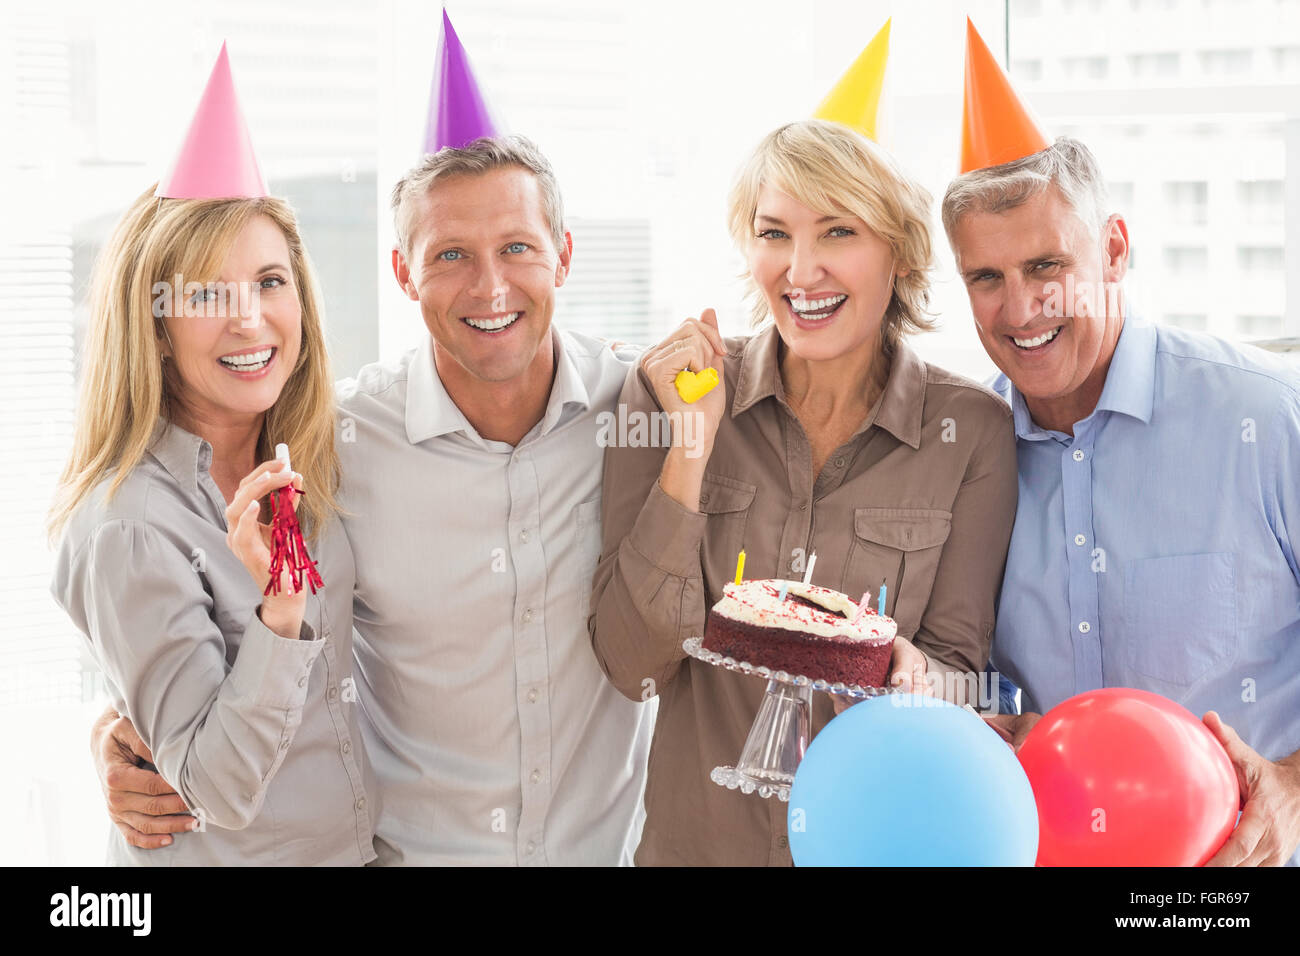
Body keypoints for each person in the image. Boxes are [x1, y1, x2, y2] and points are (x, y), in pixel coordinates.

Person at [91, 134, 656, 865]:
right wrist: (118, 730)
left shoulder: (648, 410)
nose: (490, 287)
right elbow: (198, 609)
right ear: (402, 273)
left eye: (517, 247)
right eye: (450, 254)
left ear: (565, 255)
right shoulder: (334, 446)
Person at [589, 118, 1019, 866]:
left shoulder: (971, 429)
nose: (801, 269)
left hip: (870, 845)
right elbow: (632, 664)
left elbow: (960, 674)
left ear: (900, 254)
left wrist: (913, 676)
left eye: (838, 232)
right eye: (774, 233)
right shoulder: (673, 390)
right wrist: (691, 443)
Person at [942, 135, 1300, 867]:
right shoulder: (961, 460)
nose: (1019, 309)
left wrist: (1292, 785)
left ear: (1113, 249)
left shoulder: (1269, 419)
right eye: (986, 276)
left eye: (1046, 266)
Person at [49, 186, 379, 865]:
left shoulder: (317, 454)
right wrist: (280, 615)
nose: (250, 320)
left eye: (269, 282)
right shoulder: (129, 526)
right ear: (157, 330)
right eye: (205, 296)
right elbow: (216, 789)